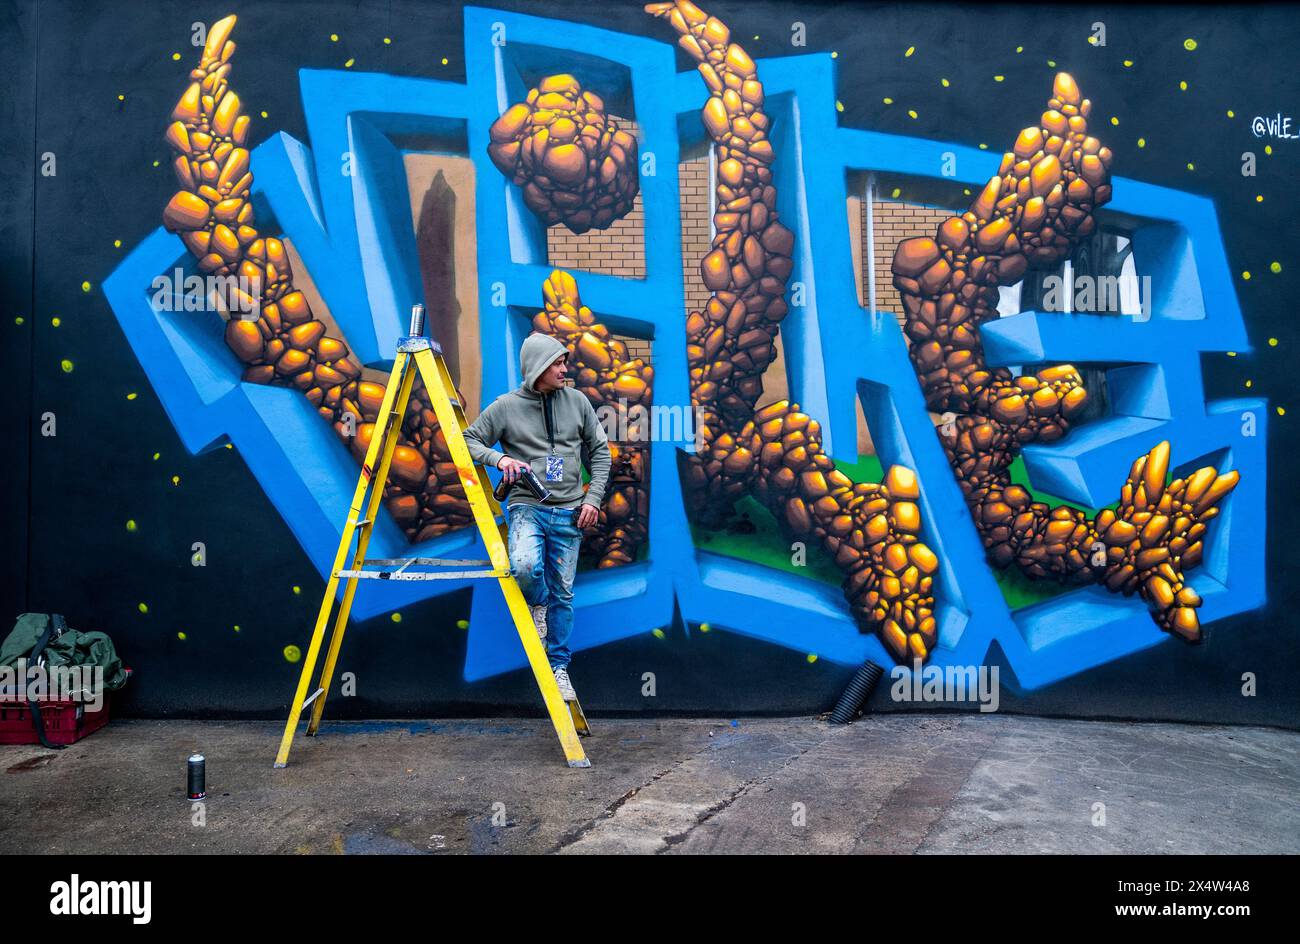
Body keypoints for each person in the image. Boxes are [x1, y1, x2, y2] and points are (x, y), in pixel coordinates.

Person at [463, 332, 610, 701]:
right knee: (525, 567)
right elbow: (467, 440)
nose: (565, 368)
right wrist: (501, 459)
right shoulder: (505, 407)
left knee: (565, 595)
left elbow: (601, 453)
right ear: (539, 367)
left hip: (571, 512)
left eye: (564, 361)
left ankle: (558, 668)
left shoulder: (577, 402)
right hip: (527, 506)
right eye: (558, 363)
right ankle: (537, 602)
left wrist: (592, 500)